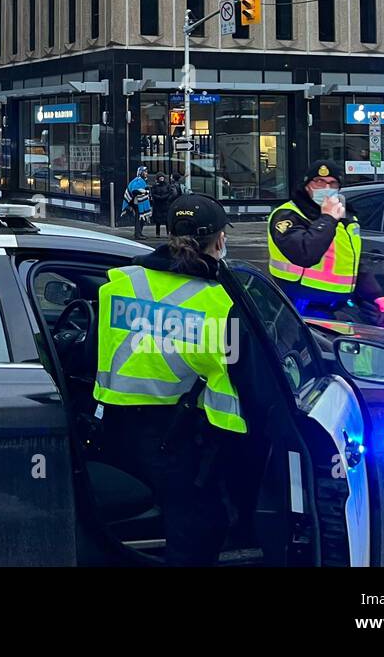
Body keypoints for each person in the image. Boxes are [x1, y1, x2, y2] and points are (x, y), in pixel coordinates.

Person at [94, 194, 246, 566]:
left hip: (111, 428)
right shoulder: (224, 305)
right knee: (196, 527)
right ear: (219, 241)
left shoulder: (118, 284)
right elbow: (239, 377)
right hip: (180, 435)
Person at [267, 160, 384, 327]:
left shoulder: (346, 216)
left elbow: (351, 262)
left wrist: (374, 296)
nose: (325, 188)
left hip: (335, 308)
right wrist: (327, 219)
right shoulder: (289, 215)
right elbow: (305, 254)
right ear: (307, 185)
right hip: (301, 306)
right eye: (319, 181)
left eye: (332, 183)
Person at [122, 165, 151, 240]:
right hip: (137, 203)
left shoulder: (142, 180)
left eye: (146, 171)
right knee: (139, 218)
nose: (146, 173)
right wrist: (143, 191)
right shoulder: (138, 180)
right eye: (145, 171)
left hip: (140, 202)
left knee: (141, 218)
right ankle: (138, 234)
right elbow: (134, 191)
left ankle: (139, 233)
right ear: (141, 172)